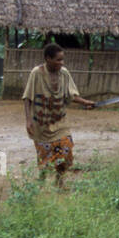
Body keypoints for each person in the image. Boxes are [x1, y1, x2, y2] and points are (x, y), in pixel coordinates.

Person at [22, 43, 95, 187]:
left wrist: (85, 102)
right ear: (48, 59)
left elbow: (71, 95)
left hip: (60, 122)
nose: (62, 63)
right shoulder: (36, 73)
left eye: (62, 60)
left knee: (66, 149)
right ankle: (41, 182)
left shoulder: (64, 74)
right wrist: (28, 120)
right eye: (58, 60)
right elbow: (27, 98)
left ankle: (59, 181)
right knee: (43, 156)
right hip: (41, 124)